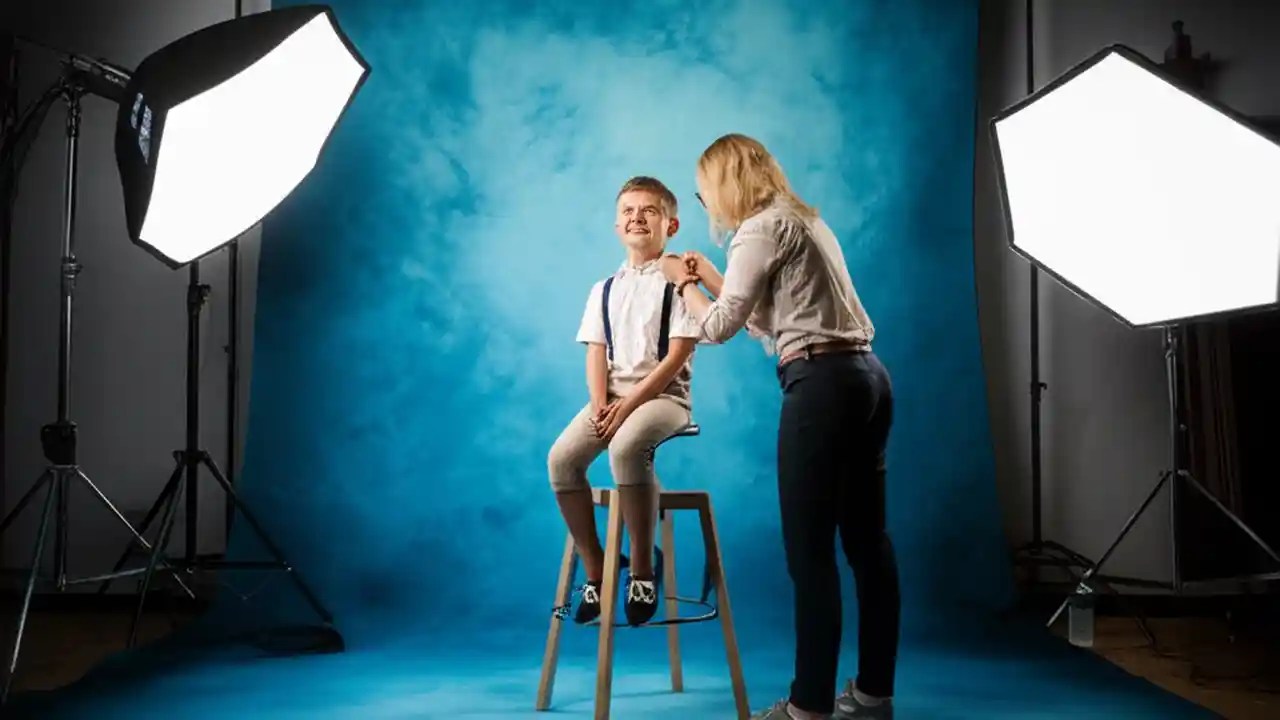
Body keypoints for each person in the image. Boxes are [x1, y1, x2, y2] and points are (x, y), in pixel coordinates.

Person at [661, 134, 900, 720]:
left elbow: (717, 328)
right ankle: (873, 695)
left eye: (705, 191)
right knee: (867, 544)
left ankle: (807, 707)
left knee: (809, 552)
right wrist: (712, 277)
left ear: (725, 182)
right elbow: (767, 320)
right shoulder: (801, 220)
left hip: (822, 386)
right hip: (867, 378)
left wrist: (682, 283)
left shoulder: (759, 229)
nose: (707, 203)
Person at [547, 176, 702, 627]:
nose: (637, 218)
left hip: (663, 397)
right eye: (628, 211)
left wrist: (628, 405)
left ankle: (643, 569)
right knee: (562, 460)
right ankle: (597, 565)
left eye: (649, 211)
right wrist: (599, 403)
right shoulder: (604, 288)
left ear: (671, 225)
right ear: (617, 225)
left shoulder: (679, 283)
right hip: (612, 397)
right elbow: (596, 351)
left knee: (627, 447)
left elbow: (677, 356)